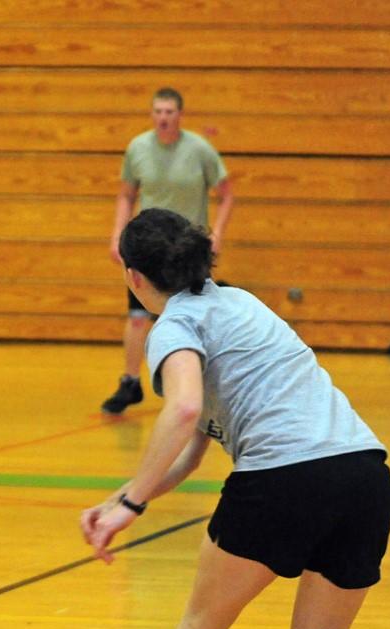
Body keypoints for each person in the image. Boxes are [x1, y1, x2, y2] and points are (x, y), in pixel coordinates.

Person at [81, 208, 390, 629]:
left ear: (134, 276)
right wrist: (133, 488)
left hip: (281, 480)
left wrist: (129, 505)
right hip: (364, 473)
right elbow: (196, 444)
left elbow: (182, 407)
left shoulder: (171, 329)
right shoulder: (242, 306)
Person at [103, 87, 234, 415]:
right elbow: (125, 195)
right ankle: (130, 382)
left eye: (169, 112)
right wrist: (117, 233)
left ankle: (201, 382)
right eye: (158, 111)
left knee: (192, 314)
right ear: (152, 114)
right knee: (137, 317)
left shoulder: (200, 149)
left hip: (187, 248)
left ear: (180, 115)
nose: (163, 118)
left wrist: (217, 232)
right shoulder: (138, 148)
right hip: (149, 246)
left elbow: (227, 193)